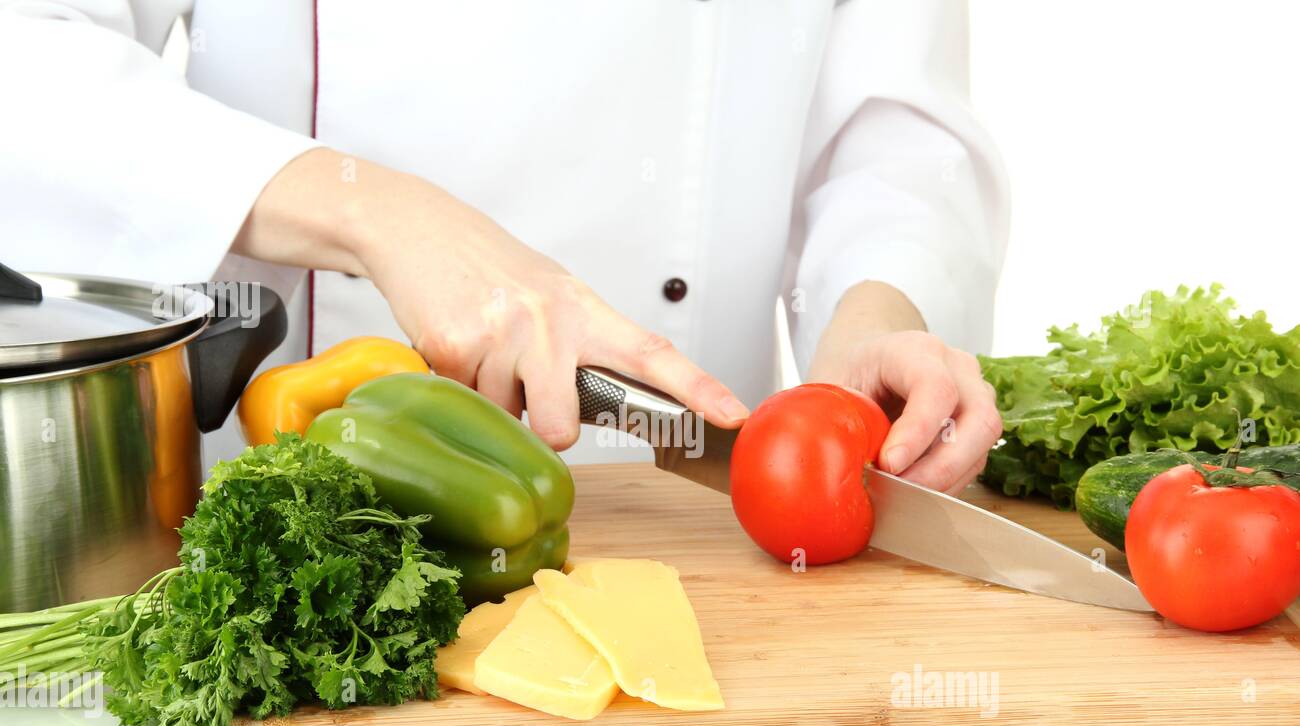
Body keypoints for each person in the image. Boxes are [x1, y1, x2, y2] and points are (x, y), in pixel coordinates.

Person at [0, 0, 1008, 491]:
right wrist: (377, 214)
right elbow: (26, 56)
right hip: (301, 509)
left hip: (712, 522)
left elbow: (897, 127)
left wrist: (879, 311)